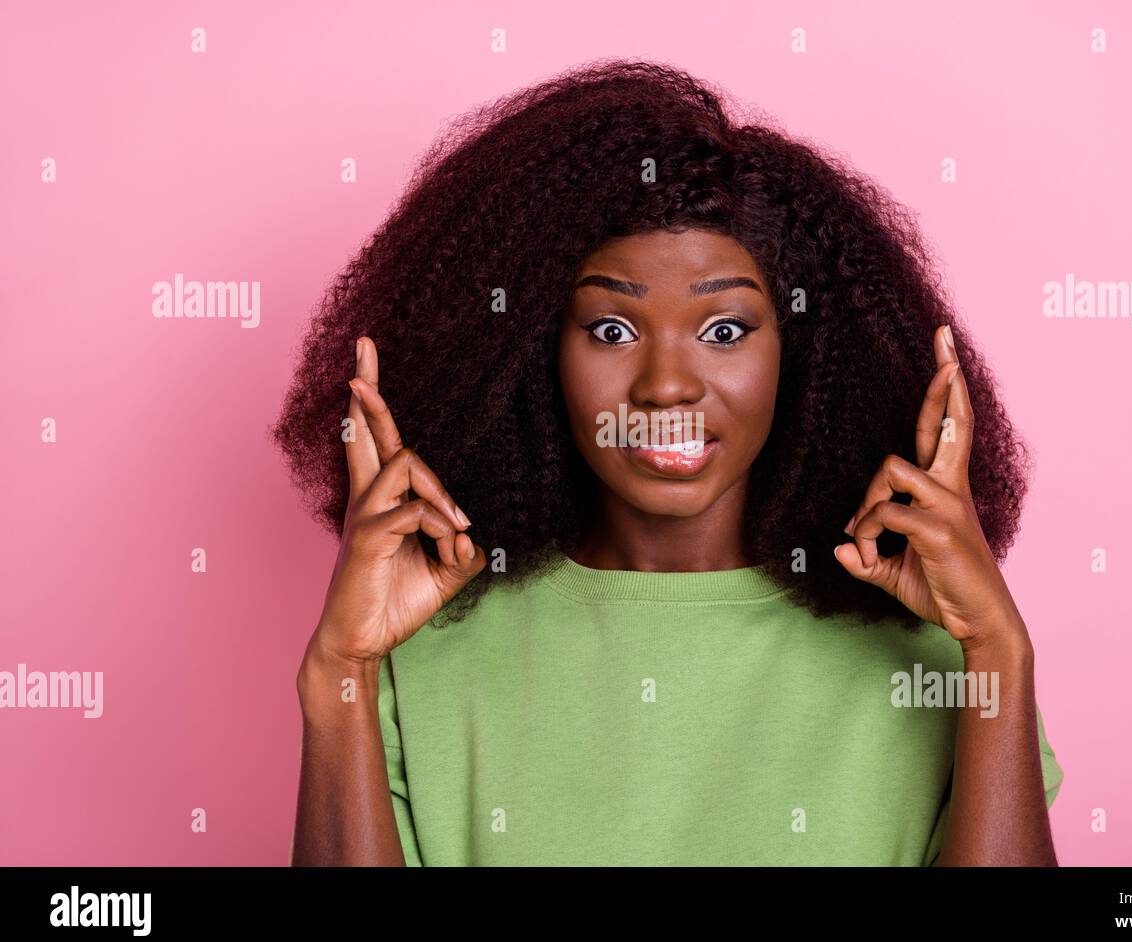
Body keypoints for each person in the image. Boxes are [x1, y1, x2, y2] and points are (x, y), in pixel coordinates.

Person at [274, 59, 1063, 866]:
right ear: (530, 351)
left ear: (807, 356)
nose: (666, 386)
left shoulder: (935, 663)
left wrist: (999, 648)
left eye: (724, 331)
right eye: (611, 330)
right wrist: (339, 672)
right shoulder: (422, 654)